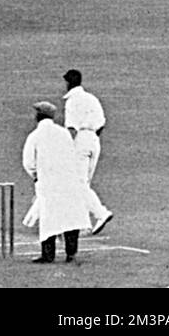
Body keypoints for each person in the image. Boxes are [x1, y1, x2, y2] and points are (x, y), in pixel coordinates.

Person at [22, 101, 87, 263]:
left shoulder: (35, 136)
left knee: (49, 218)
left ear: (38, 116)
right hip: (69, 181)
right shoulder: (64, 133)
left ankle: (48, 255)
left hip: (48, 183)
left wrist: (36, 176)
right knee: (70, 217)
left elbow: (28, 162)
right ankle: (71, 253)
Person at [61, 69, 113, 235]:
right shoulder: (92, 99)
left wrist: (67, 150)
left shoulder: (72, 101)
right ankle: (83, 224)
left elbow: (71, 128)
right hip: (94, 141)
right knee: (84, 183)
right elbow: (102, 123)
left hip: (81, 141)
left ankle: (101, 213)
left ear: (68, 83)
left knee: (78, 184)